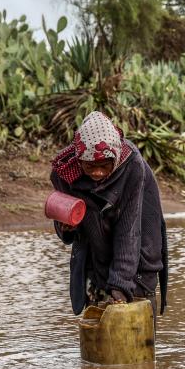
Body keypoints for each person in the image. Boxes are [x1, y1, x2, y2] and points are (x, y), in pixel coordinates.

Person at [50, 111, 167, 315]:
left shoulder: (132, 166)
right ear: (79, 161)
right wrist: (66, 228)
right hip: (95, 257)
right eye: (90, 166)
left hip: (138, 255)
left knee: (136, 329)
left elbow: (129, 229)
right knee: (96, 324)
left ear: (114, 157)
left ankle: (122, 285)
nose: (97, 172)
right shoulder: (65, 173)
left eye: (104, 165)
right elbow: (66, 225)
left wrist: (120, 287)